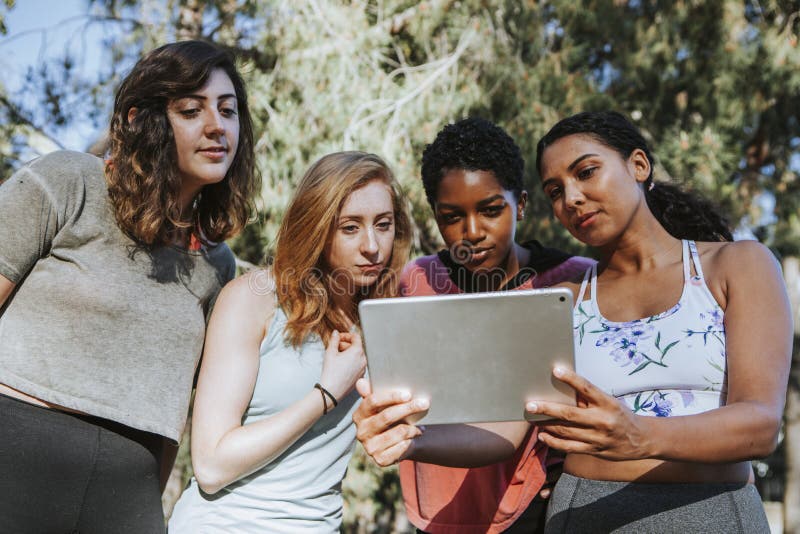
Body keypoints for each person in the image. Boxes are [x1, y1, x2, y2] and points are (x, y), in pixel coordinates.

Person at [0, 41, 257, 532]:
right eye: (191, 110)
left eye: (228, 111)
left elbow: (181, 408)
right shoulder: (68, 181)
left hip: (128, 496)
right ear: (143, 119)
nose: (217, 126)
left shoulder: (219, 267)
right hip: (13, 463)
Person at [526, 111, 789, 532]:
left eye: (586, 172)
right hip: (584, 513)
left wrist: (639, 435)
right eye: (555, 192)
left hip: (714, 513)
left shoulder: (736, 265)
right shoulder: (561, 300)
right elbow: (504, 424)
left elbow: (760, 425)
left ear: (639, 165)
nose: (571, 198)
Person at [352, 117, 594, 533]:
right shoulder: (414, 282)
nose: (473, 232)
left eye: (490, 210)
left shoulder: (568, 281)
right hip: (435, 515)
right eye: (452, 217)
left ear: (520, 203)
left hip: (532, 512)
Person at [168, 151, 412, 533]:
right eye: (350, 227)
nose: (372, 246)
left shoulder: (383, 321)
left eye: (383, 224)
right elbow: (211, 465)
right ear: (316, 227)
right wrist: (325, 394)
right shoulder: (253, 299)